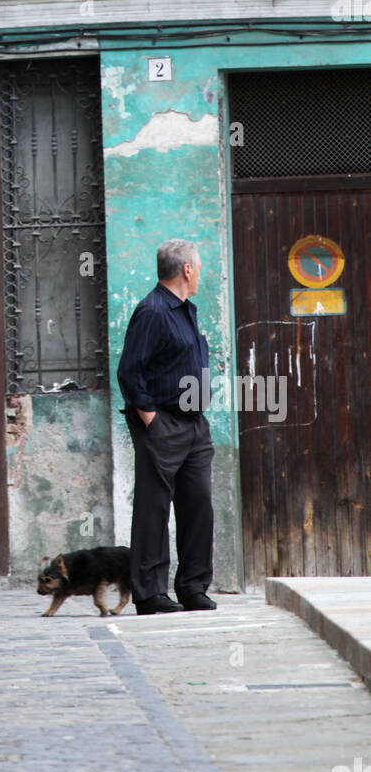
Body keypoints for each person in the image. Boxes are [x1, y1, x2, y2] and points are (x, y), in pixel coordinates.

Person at [117, 239, 216, 615]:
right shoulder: (153, 310)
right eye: (199, 267)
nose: (200, 274)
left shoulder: (185, 310)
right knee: (154, 509)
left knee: (198, 506)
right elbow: (129, 371)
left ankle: (193, 587)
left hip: (194, 425)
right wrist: (152, 421)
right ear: (187, 269)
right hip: (163, 423)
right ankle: (150, 594)